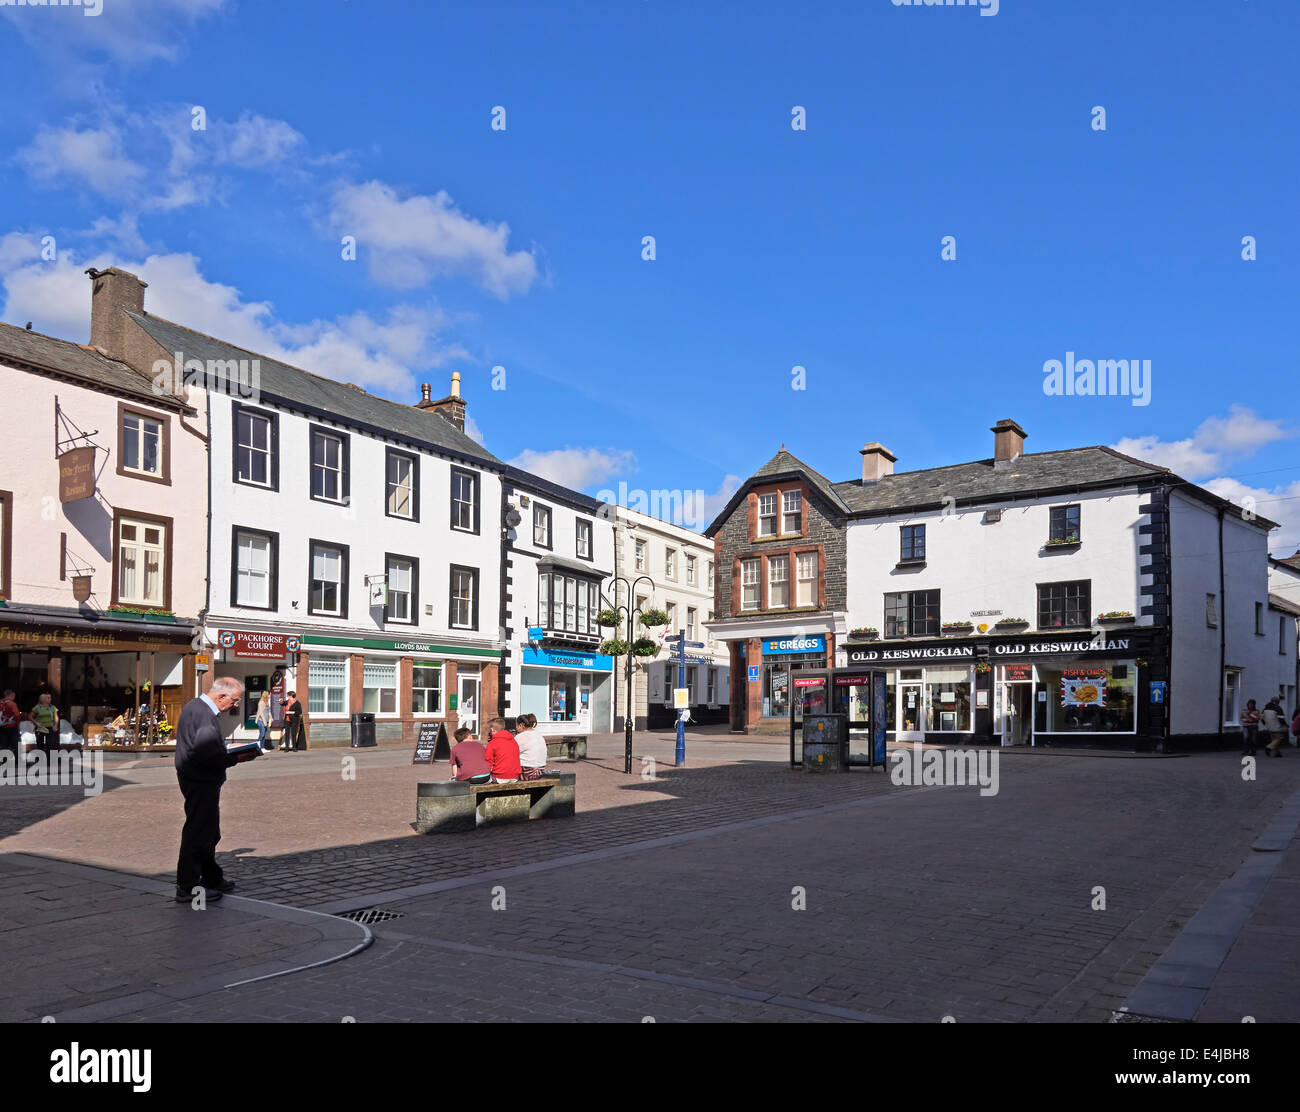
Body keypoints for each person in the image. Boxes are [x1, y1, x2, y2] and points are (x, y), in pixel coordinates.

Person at [174, 676, 258, 903]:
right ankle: (188, 886)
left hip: (198, 778)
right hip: (200, 779)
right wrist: (236, 757)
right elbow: (207, 753)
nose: (235, 705)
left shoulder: (196, 708)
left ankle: (212, 877)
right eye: (235, 700)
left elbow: (205, 746)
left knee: (209, 831)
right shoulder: (202, 714)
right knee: (198, 831)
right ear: (222, 696)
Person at [482, 716, 521, 782]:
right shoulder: (513, 741)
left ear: (492, 730)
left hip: (499, 777)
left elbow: (488, 762)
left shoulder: (492, 743)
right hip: (515, 777)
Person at [514, 713, 547, 780]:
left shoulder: (521, 736)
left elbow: (511, 752)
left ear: (521, 725)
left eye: (516, 725)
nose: (516, 728)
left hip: (527, 772)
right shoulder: (538, 735)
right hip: (540, 770)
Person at [0, 689, 21, 756]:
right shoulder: (12, 704)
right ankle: (16, 761)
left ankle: (4, 760)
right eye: (14, 696)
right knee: (15, 744)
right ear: (11, 695)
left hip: (1, 726)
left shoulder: (0, 703)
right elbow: (17, 715)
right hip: (12, 726)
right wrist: (18, 725)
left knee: (4, 743)